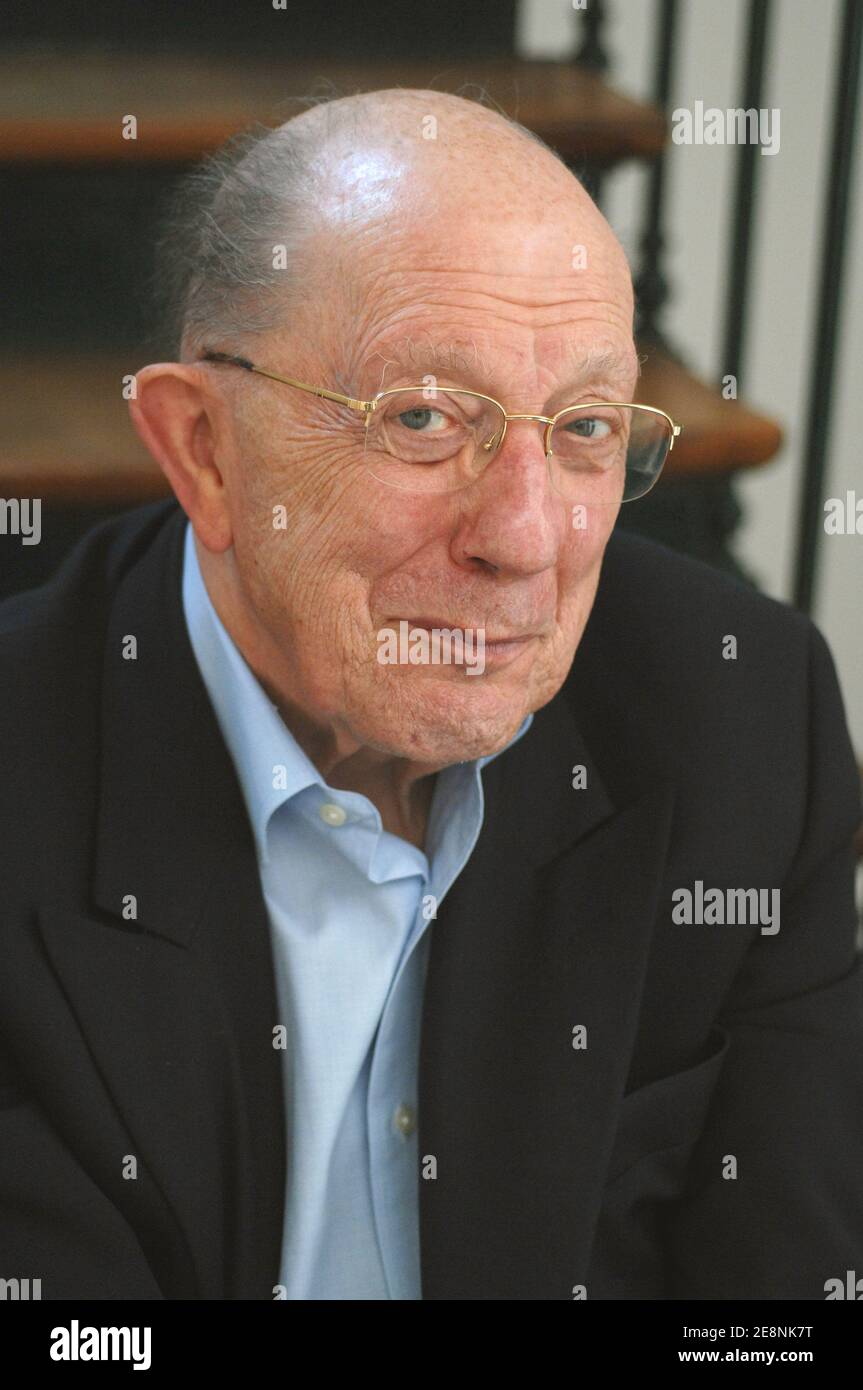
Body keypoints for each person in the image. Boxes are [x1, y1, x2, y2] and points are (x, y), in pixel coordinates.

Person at [0, 89, 860, 1301]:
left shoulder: (741, 723)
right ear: (204, 449)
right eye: (420, 418)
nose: (524, 539)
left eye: (585, 429)